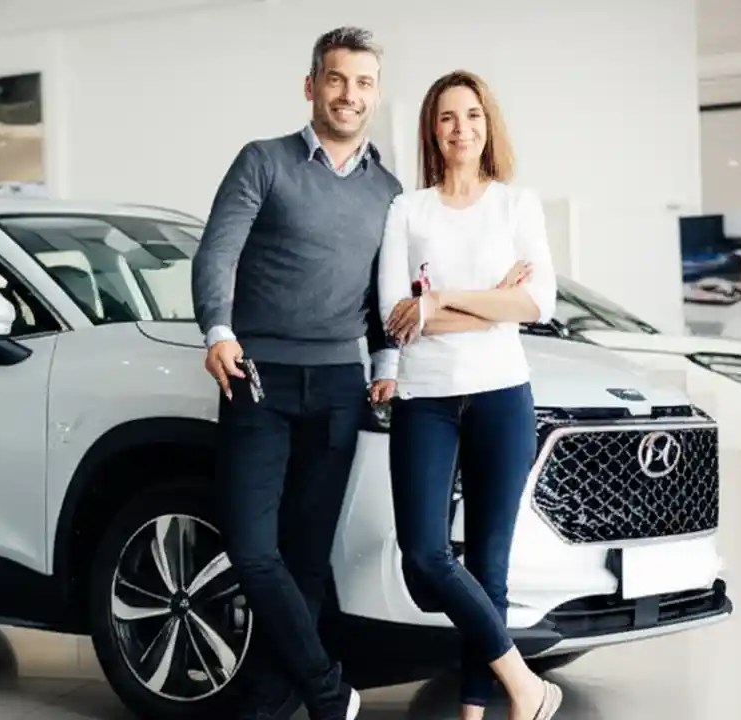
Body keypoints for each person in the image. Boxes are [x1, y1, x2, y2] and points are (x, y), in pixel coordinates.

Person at [191, 26, 402, 720]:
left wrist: (388, 361)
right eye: (337, 80)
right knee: (254, 551)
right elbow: (217, 252)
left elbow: (384, 294)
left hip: (341, 386)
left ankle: (266, 706)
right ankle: (326, 689)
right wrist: (218, 329)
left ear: (375, 93)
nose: (350, 95)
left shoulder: (388, 191)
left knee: (306, 562)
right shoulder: (264, 162)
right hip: (257, 379)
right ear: (312, 86)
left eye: (363, 83)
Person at [374, 69, 563, 720]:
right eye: (450, 116)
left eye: (474, 115)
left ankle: (476, 712)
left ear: (489, 125)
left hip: (502, 396)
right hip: (425, 397)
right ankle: (528, 686)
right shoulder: (408, 209)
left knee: (490, 567)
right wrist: (493, 303)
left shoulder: (517, 204)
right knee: (425, 554)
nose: (463, 128)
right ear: (433, 127)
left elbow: (538, 302)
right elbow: (394, 313)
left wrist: (444, 299)